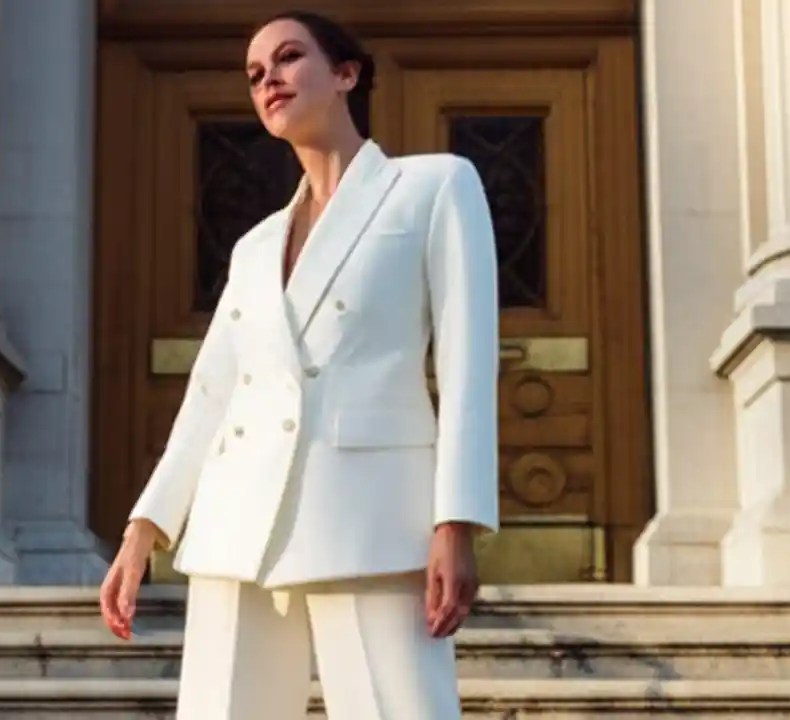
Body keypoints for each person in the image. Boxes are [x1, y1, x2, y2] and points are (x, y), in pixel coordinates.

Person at [99, 9, 499, 719]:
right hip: (235, 518)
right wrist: (145, 529)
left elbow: (469, 364)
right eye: (255, 74)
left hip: (371, 513)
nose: (269, 80)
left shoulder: (434, 187)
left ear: (347, 74)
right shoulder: (255, 245)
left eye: (287, 58)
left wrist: (456, 520)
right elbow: (213, 391)